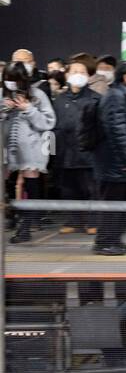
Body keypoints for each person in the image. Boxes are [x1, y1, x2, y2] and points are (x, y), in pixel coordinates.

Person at [93, 61, 126, 256]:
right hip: (115, 162)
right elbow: (117, 131)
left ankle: (113, 237)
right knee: (113, 202)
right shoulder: (116, 97)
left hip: (123, 160)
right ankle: (105, 241)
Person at [1, 62, 56, 244]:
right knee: (10, 188)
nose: (10, 83)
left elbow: (48, 123)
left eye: (13, 79)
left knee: (29, 187)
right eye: (7, 79)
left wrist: (28, 109)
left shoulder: (37, 95)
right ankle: (16, 220)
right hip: (8, 152)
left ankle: (26, 227)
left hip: (32, 152)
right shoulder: (2, 95)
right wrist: (5, 110)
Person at [51, 59, 100, 234]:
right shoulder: (58, 99)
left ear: (88, 76)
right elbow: (52, 127)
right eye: (74, 71)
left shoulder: (95, 98)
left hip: (88, 153)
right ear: (66, 75)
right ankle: (74, 220)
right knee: (69, 189)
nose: (78, 75)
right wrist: (51, 152)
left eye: (83, 72)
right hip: (65, 153)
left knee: (92, 189)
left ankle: (94, 222)